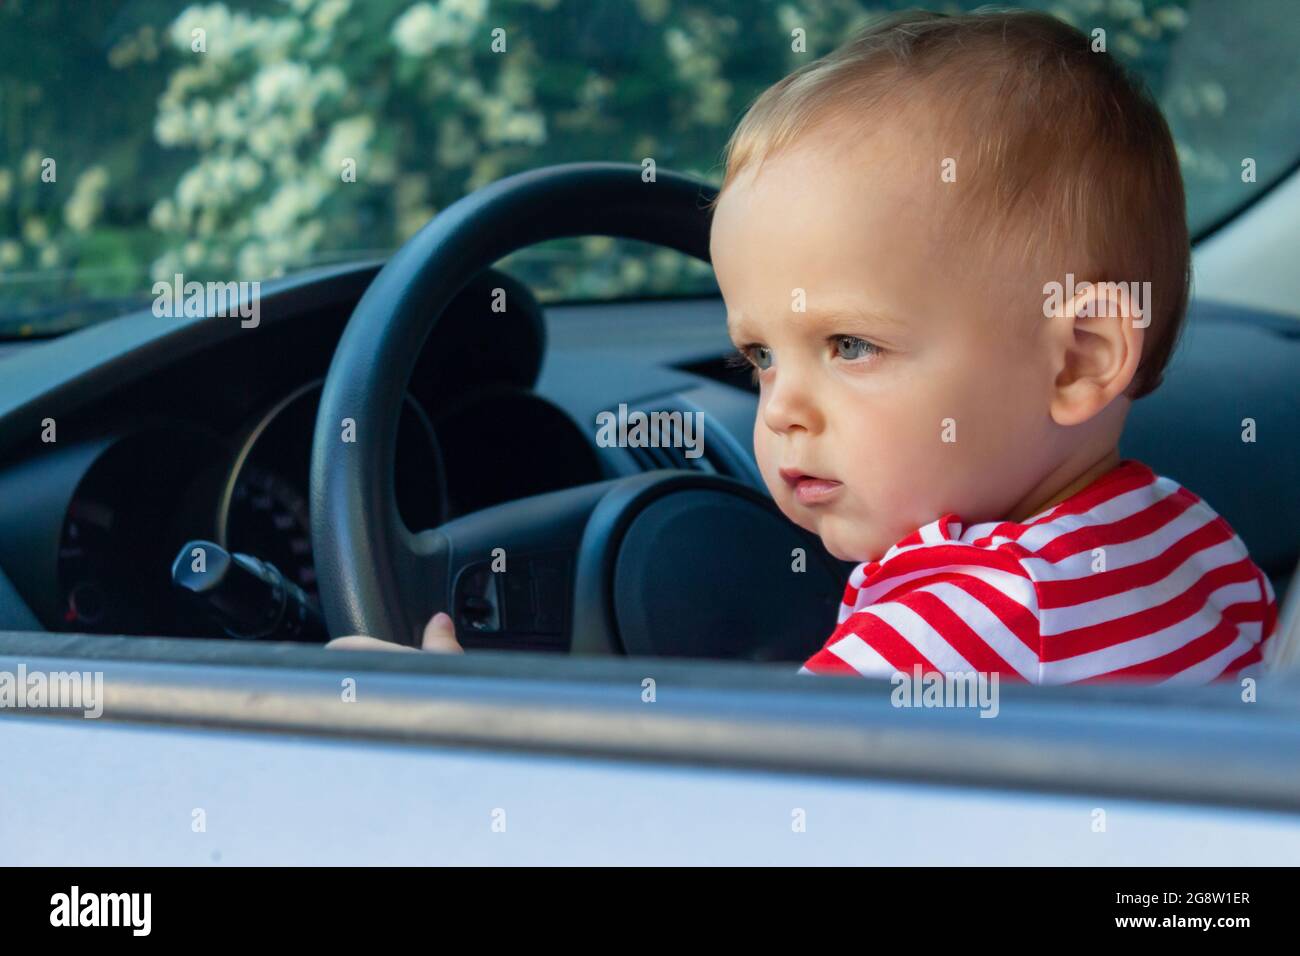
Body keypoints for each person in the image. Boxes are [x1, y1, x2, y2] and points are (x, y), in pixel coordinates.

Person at [331, 9, 1277, 683]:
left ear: (1076, 361)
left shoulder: (960, 627)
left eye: (851, 344)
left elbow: (715, 831)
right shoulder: (1194, 543)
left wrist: (464, 732)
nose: (779, 408)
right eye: (760, 357)